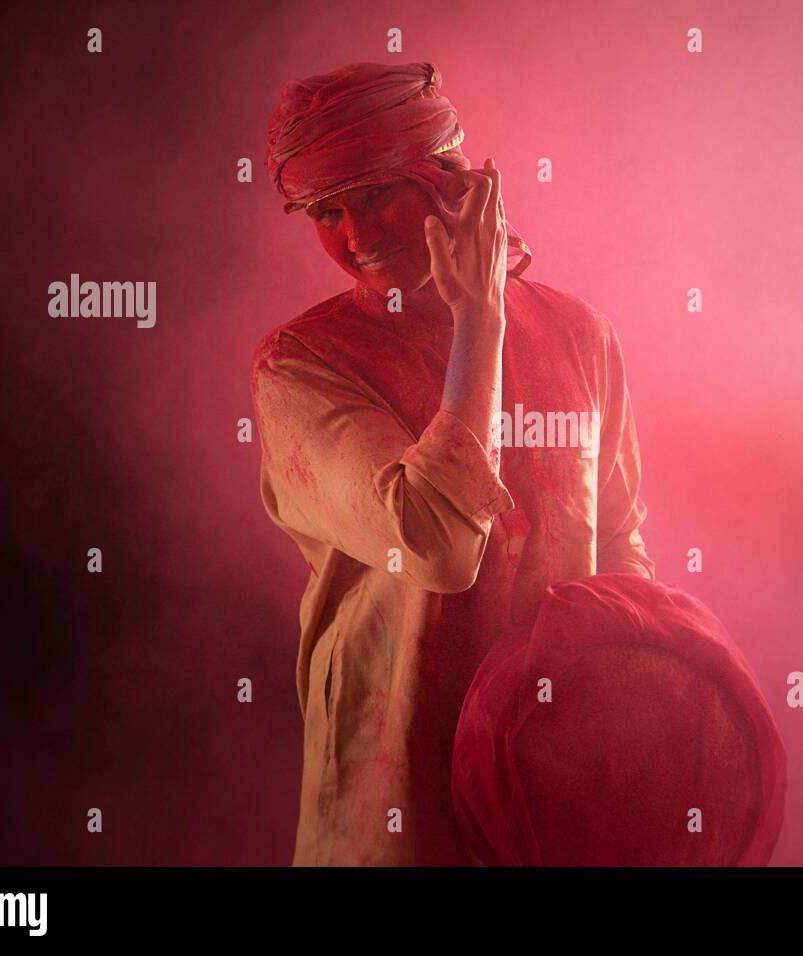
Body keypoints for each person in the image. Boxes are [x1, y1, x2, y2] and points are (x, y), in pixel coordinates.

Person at [251, 61, 654, 865]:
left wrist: (636, 728)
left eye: (374, 193)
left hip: (552, 808)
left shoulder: (582, 335)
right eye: (327, 210)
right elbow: (434, 544)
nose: (355, 236)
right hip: (394, 811)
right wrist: (481, 321)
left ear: (449, 181)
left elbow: (619, 549)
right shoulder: (301, 366)